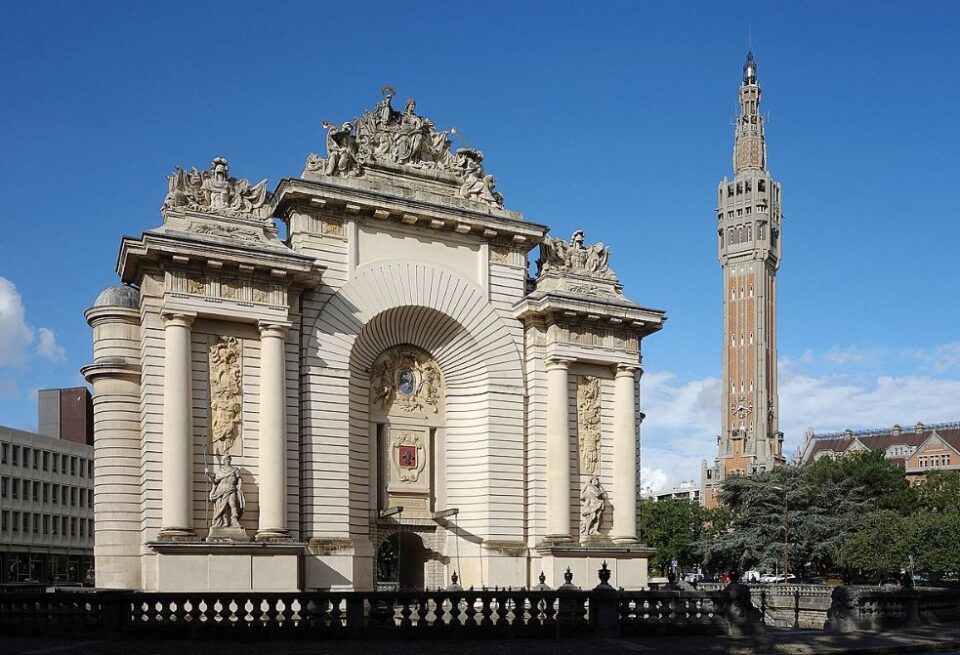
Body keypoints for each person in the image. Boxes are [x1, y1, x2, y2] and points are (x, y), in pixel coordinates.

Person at [206, 455, 245, 528]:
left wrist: (239, 486)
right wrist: (208, 475)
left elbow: (239, 479)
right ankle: (225, 522)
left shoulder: (235, 469)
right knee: (223, 506)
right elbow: (215, 482)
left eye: (229, 459)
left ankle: (234, 521)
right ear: (223, 461)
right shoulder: (220, 471)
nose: (228, 460)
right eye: (226, 459)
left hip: (231, 488)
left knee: (232, 504)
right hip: (221, 490)